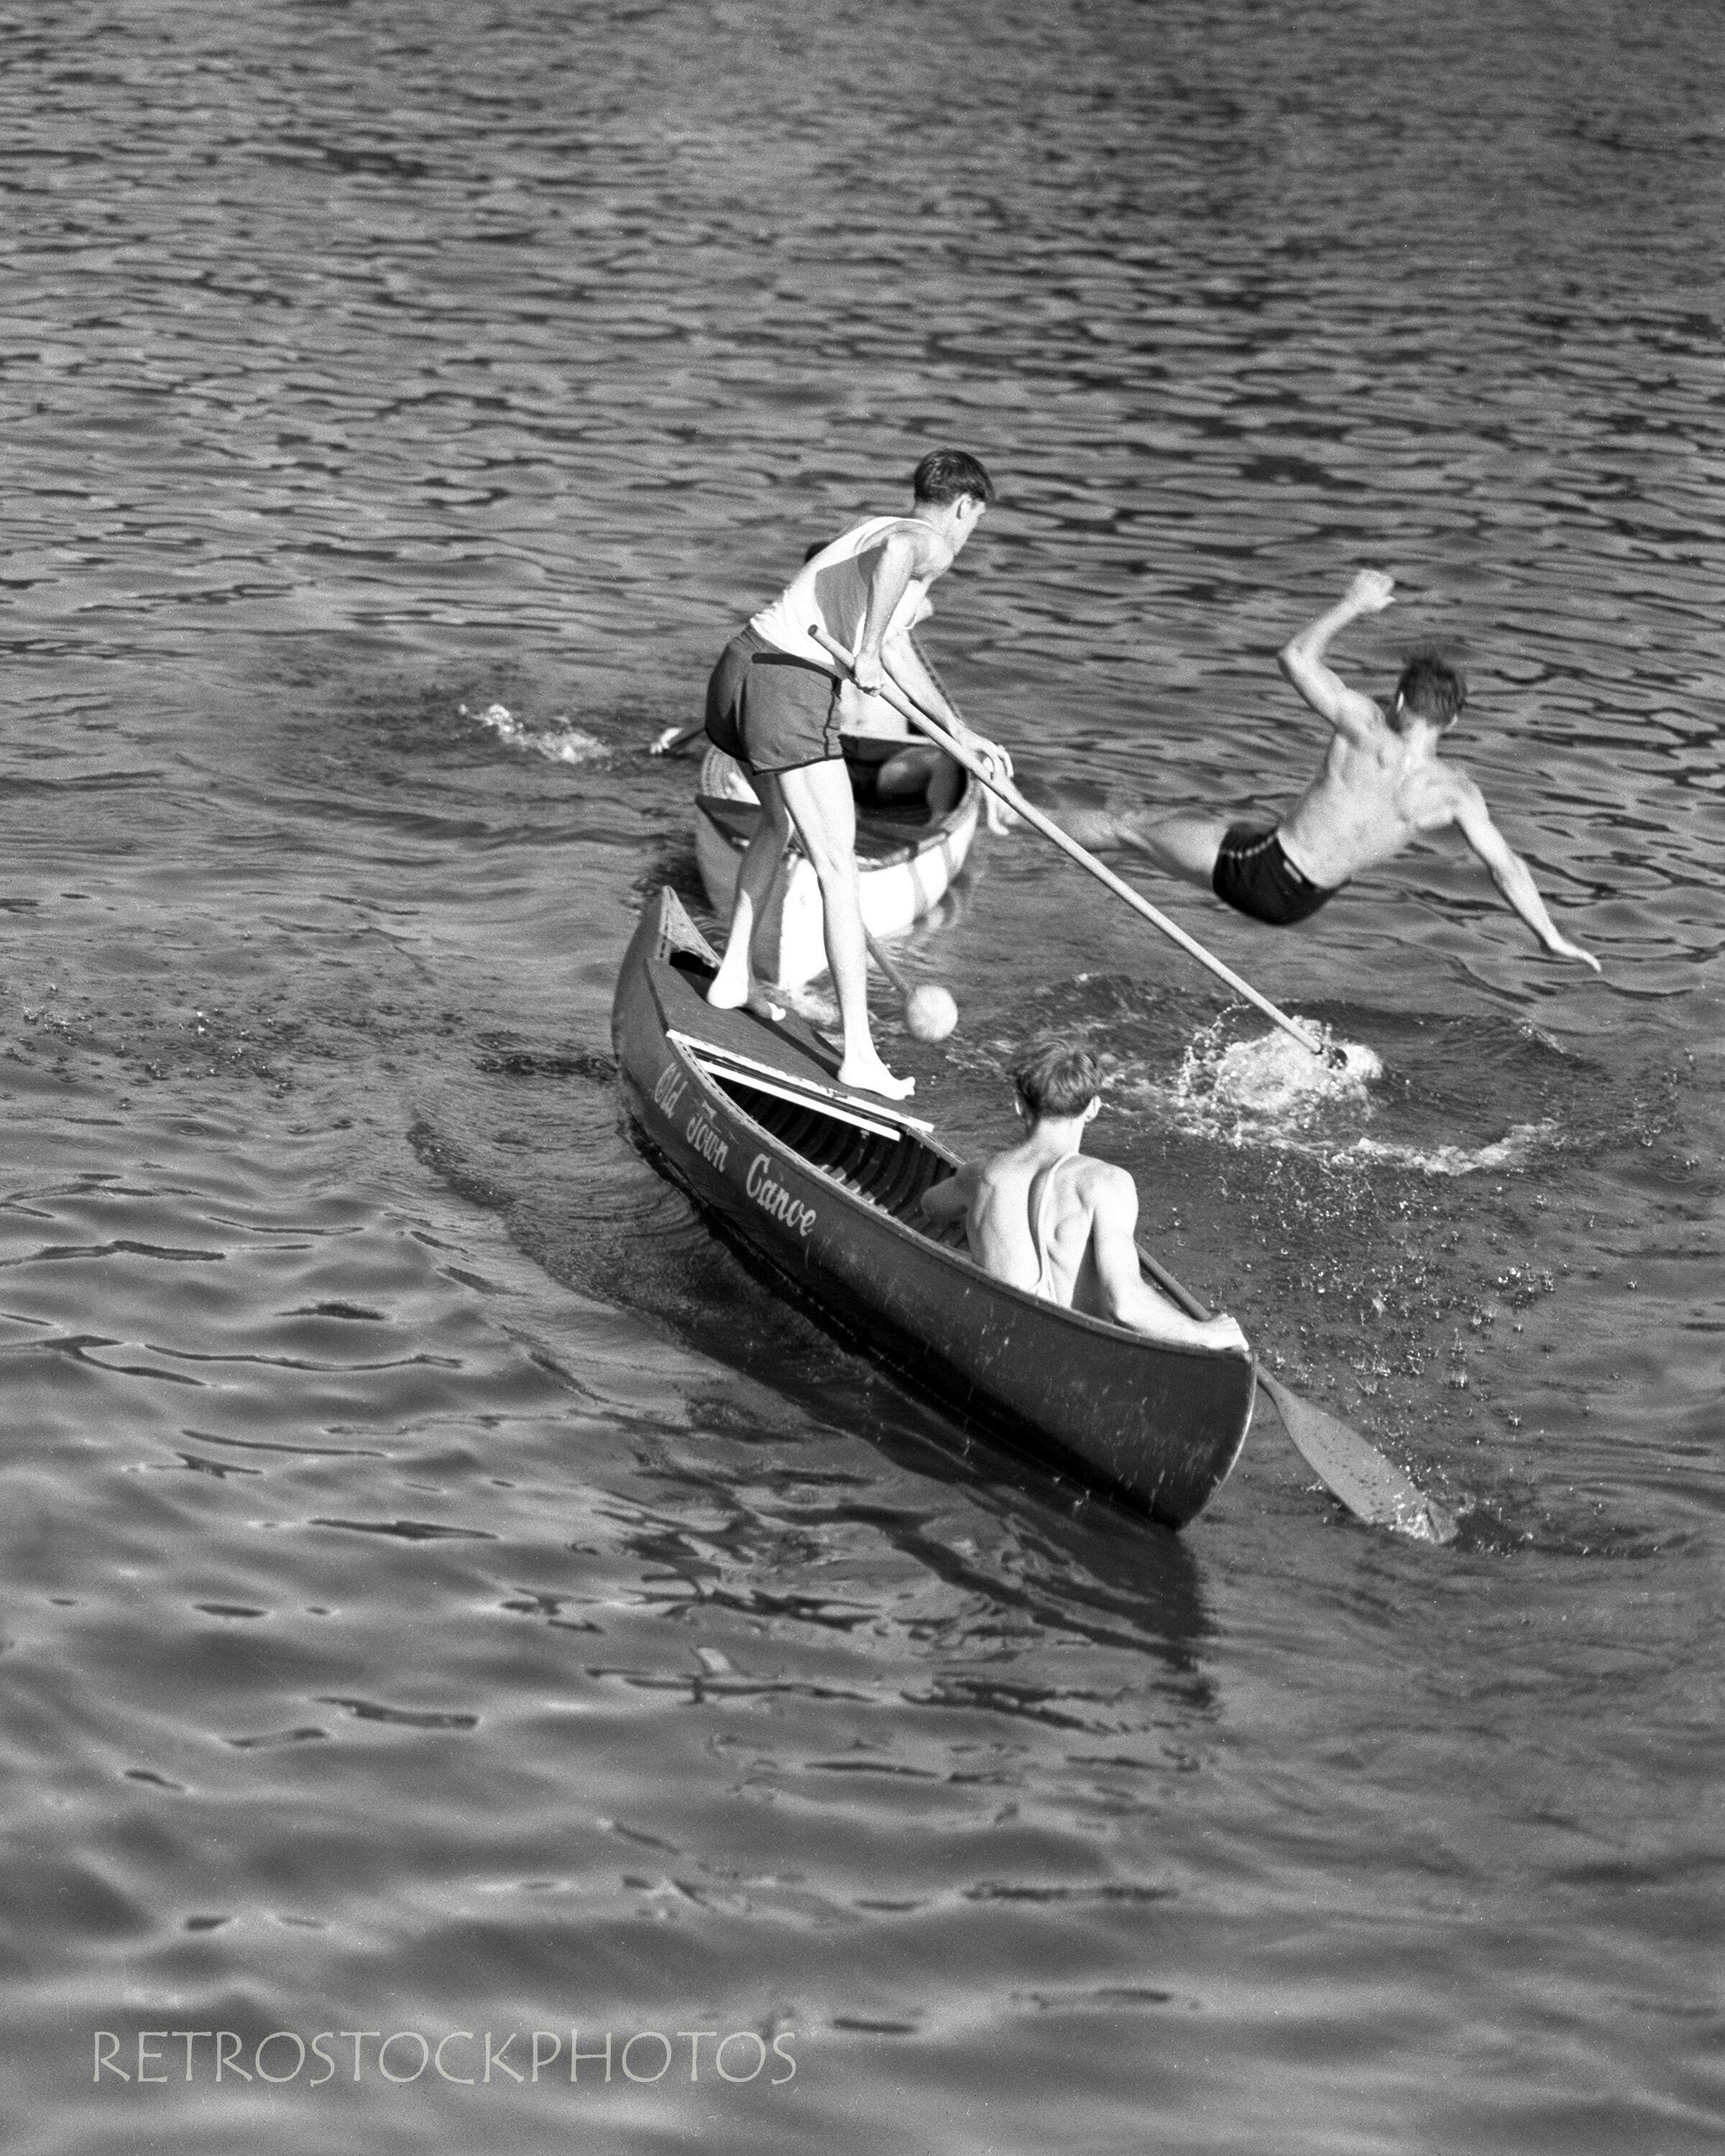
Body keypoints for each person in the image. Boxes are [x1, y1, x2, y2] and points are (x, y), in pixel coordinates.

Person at [1083, 570, 1601, 969]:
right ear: (1455, 719)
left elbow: (1295, 657)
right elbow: (1506, 867)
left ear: (1399, 700)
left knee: (1123, 826)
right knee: (1201, 823)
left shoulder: (1365, 726)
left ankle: (1013, 815)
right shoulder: (1457, 795)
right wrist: (1548, 936)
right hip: (1303, 903)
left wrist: (1353, 604)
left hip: (1261, 870)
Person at [702, 449, 1000, 1099]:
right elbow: (899, 562)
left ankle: (734, 974)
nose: (972, 531)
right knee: (840, 871)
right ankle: (859, 1055)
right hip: (787, 687)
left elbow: (894, 648)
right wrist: (862, 654)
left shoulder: (866, 528)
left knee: (778, 824)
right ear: (965, 506)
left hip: (738, 670)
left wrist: (957, 733)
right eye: (976, 518)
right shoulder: (924, 542)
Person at [920, 1040, 1250, 1353]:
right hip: (1074, 1349)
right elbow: (1124, 1304)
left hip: (999, 1338)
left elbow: (930, 1207)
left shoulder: (980, 1175)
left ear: (1019, 1105)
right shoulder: (1103, 1184)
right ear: (1093, 1108)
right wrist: (1203, 1334)